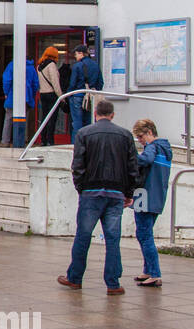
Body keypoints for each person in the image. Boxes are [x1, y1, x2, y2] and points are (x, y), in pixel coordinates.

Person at [58, 99, 139, 296]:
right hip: (116, 194)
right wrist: (128, 193)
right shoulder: (125, 135)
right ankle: (113, 283)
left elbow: (77, 165)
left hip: (91, 193)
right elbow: (133, 168)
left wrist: (81, 188)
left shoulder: (83, 133)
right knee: (112, 239)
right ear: (112, 115)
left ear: (95, 113)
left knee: (83, 236)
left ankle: (75, 278)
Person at [132, 119, 173, 288]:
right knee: (145, 232)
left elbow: (145, 161)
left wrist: (130, 155)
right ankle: (148, 270)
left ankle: (154, 273)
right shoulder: (165, 148)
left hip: (145, 196)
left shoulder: (152, 148)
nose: (140, 141)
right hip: (157, 196)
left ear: (150, 132)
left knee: (144, 234)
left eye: (141, 137)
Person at [1, 56, 39, 146]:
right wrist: (31, 95)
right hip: (26, 97)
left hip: (12, 96)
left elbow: (7, 80)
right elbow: (35, 84)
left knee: (8, 119)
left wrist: (6, 92)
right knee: (23, 119)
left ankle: (5, 141)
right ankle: (22, 140)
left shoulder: (11, 65)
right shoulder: (31, 68)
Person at [68, 44, 104, 141]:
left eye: (76, 54)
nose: (75, 57)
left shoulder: (77, 66)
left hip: (78, 96)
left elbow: (72, 83)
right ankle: (89, 143)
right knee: (89, 121)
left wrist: (68, 95)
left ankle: (76, 144)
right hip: (91, 96)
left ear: (81, 53)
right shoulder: (96, 65)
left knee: (77, 122)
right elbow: (100, 83)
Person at [37, 46, 63, 147]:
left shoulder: (39, 65)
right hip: (52, 94)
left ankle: (43, 139)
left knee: (44, 117)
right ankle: (50, 140)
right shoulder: (51, 65)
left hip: (42, 94)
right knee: (52, 118)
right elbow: (55, 82)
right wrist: (61, 96)